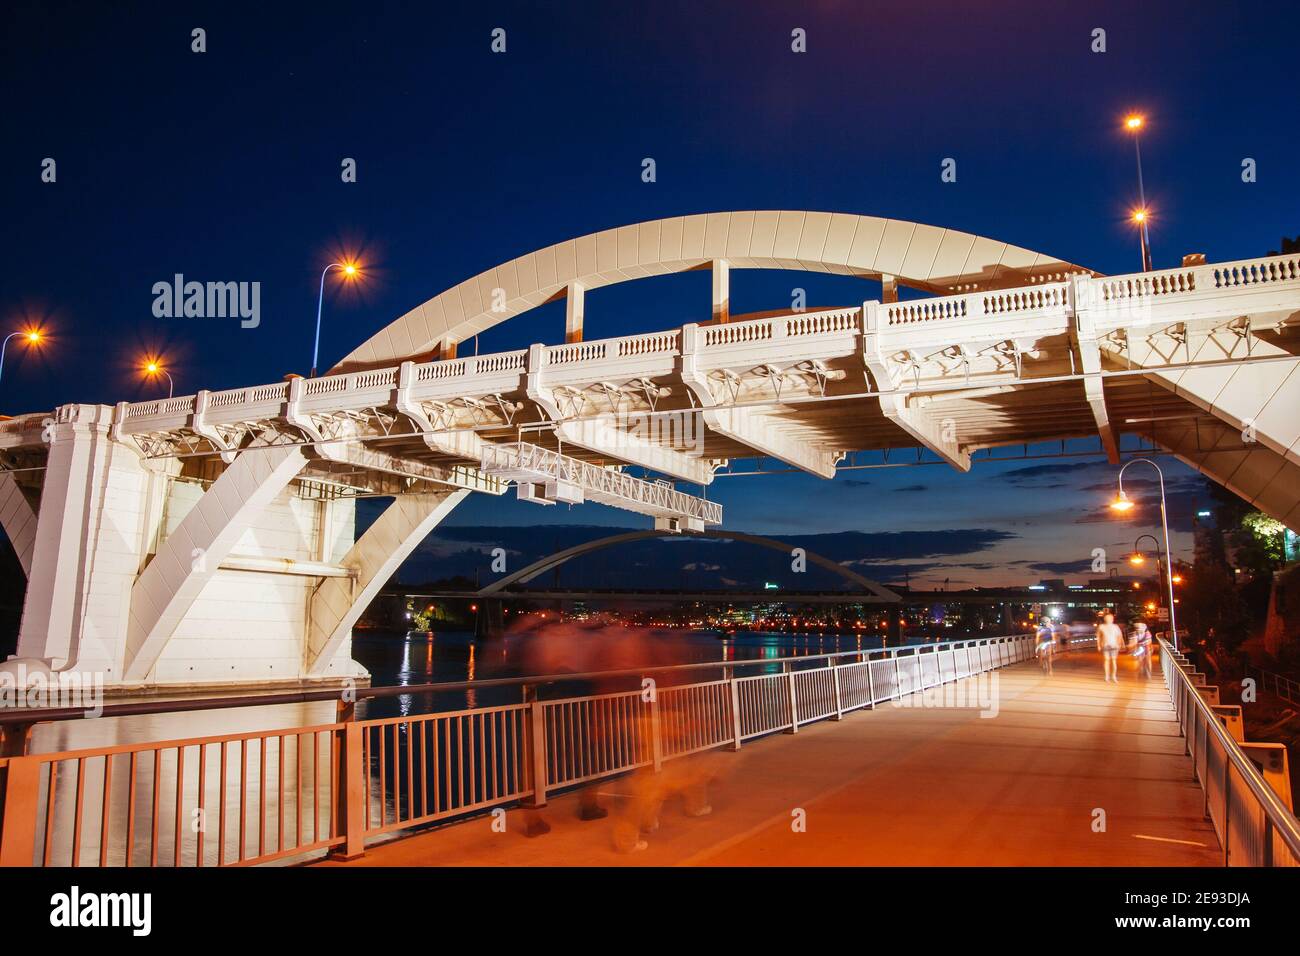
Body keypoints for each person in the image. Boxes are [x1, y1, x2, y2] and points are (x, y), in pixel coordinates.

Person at [1096, 612, 1124, 683]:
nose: (1109, 619)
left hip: (1114, 646)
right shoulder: (1101, 626)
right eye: (1107, 618)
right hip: (1105, 645)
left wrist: (1120, 644)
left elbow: (1119, 636)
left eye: (1110, 618)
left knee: (1114, 661)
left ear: (1112, 619)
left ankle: (1114, 676)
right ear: (1105, 619)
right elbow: (1098, 636)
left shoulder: (1115, 626)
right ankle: (1107, 676)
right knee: (1106, 660)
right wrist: (1098, 645)